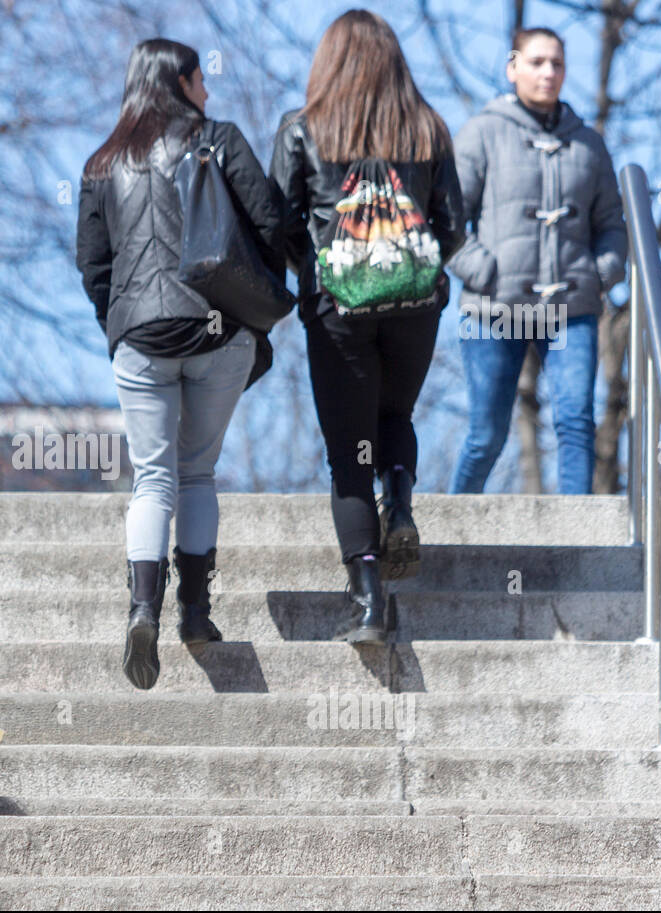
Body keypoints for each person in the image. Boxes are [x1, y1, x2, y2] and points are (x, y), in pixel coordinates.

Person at [76, 38, 289, 688]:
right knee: (196, 473)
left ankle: (144, 608)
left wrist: (122, 327)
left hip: (140, 339)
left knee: (152, 480)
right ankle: (196, 611)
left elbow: (93, 267)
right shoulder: (217, 139)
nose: (209, 91)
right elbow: (271, 221)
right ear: (183, 82)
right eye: (202, 80)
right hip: (218, 331)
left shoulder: (102, 162)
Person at [270, 9, 465, 644]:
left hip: (338, 310)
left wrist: (319, 266)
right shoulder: (428, 130)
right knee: (395, 419)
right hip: (414, 305)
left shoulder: (304, 129)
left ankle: (369, 604)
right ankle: (401, 503)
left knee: (349, 456)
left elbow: (278, 221)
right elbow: (454, 228)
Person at [448, 26, 627, 494]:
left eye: (557, 63)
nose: (548, 72)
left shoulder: (589, 143)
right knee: (486, 435)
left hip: (571, 307)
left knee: (575, 421)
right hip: (493, 308)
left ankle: (577, 545)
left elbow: (612, 223)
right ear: (513, 68)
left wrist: (600, 273)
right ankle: (444, 534)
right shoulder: (481, 132)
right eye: (537, 61)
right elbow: (445, 219)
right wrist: (481, 271)